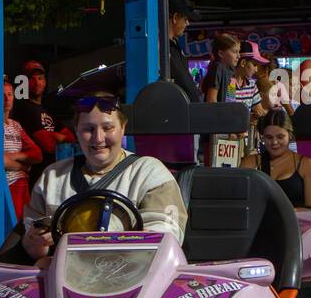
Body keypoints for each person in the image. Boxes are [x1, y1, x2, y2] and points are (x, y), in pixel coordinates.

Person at [18, 94, 187, 262]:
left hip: (132, 276)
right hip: (65, 278)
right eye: (88, 129)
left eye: (107, 128)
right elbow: (32, 248)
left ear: (123, 128)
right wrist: (37, 241)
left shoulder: (149, 173)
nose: (98, 138)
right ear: (76, 131)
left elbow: (163, 240)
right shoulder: (53, 177)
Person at [240, 109, 311, 208]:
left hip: (296, 222)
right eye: (269, 137)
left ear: (290, 135)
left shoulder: (306, 164)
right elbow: (241, 203)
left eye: (280, 137)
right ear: (263, 138)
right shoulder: (251, 163)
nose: (274, 142)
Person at [9, 59, 74, 176]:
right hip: (35, 174)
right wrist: (59, 137)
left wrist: (58, 137)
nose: (37, 82)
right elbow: (48, 145)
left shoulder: (47, 110)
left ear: (45, 81)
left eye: (40, 78)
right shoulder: (24, 108)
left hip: (53, 172)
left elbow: (71, 137)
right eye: (31, 79)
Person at [2, 78, 41, 219]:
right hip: (7, 186)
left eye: (10, 95)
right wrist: (24, 167)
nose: (6, 99)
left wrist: (14, 157)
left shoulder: (15, 125)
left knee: (27, 227)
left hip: (23, 185)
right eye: (2, 95)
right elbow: (0, 161)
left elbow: (37, 155)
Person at [167, 0, 201, 102]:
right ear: (175, 17)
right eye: (186, 19)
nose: (188, 23)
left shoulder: (175, 46)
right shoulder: (160, 47)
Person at [201, 33, 241, 103]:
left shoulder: (232, 71)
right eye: (234, 52)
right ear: (221, 54)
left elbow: (230, 99)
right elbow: (211, 100)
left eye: (239, 52)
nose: (238, 56)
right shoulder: (217, 68)